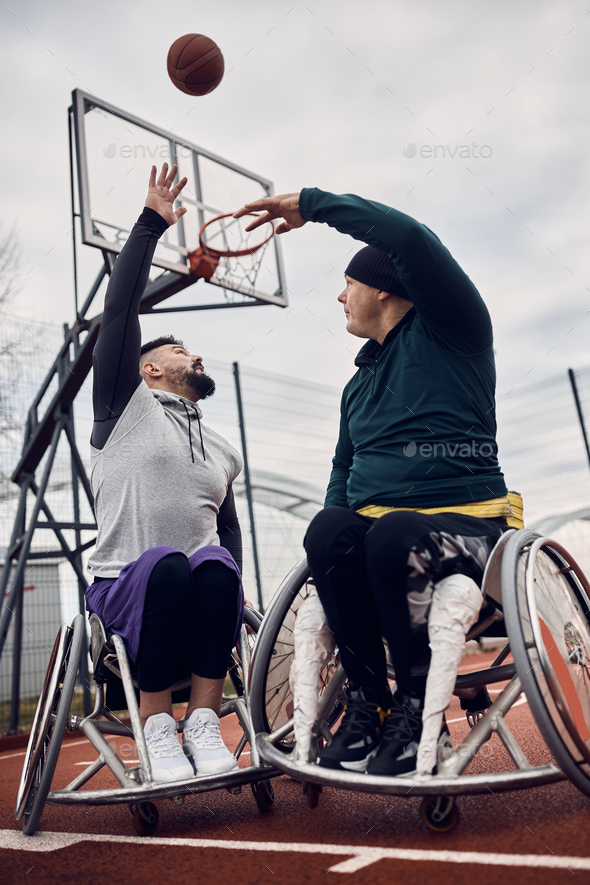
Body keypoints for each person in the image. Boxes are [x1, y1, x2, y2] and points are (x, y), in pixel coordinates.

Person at [235, 188, 520, 776]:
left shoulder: (453, 332)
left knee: (391, 534)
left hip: (469, 534)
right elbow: (343, 473)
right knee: (330, 527)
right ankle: (371, 703)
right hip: (386, 540)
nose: (340, 295)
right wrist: (333, 530)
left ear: (385, 287)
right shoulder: (357, 386)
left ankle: (419, 709)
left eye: (349, 283)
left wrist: (312, 204)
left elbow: (410, 238)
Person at [86, 164, 244, 783]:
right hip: (123, 590)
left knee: (212, 563)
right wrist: (151, 224)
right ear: (148, 370)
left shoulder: (224, 448)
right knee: (168, 562)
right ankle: (155, 725)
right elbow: (120, 315)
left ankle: (203, 724)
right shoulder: (125, 408)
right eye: (180, 351)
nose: (194, 355)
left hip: (197, 593)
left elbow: (228, 533)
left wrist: (238, 584)